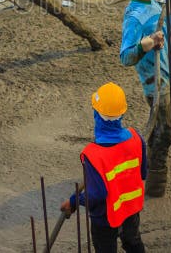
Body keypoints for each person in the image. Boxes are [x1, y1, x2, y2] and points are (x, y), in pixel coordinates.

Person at [118, 0, 171, 197]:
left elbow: (170, 29)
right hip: (154, 84)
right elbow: (126, 57)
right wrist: (146, 44)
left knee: (163, 126)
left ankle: (147, 171)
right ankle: (155, 180)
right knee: (167, 130)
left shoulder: (154, 6)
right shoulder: (135, 16)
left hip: (164, 76)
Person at [60, 82, 147, 253]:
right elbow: (142, 173)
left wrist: (74, 201)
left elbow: (97, 194)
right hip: (130, 210)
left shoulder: (93, 154)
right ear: (122, 113)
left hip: (104, 218)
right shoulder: (137, 138)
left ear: (96, 115)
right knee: (133, 242)